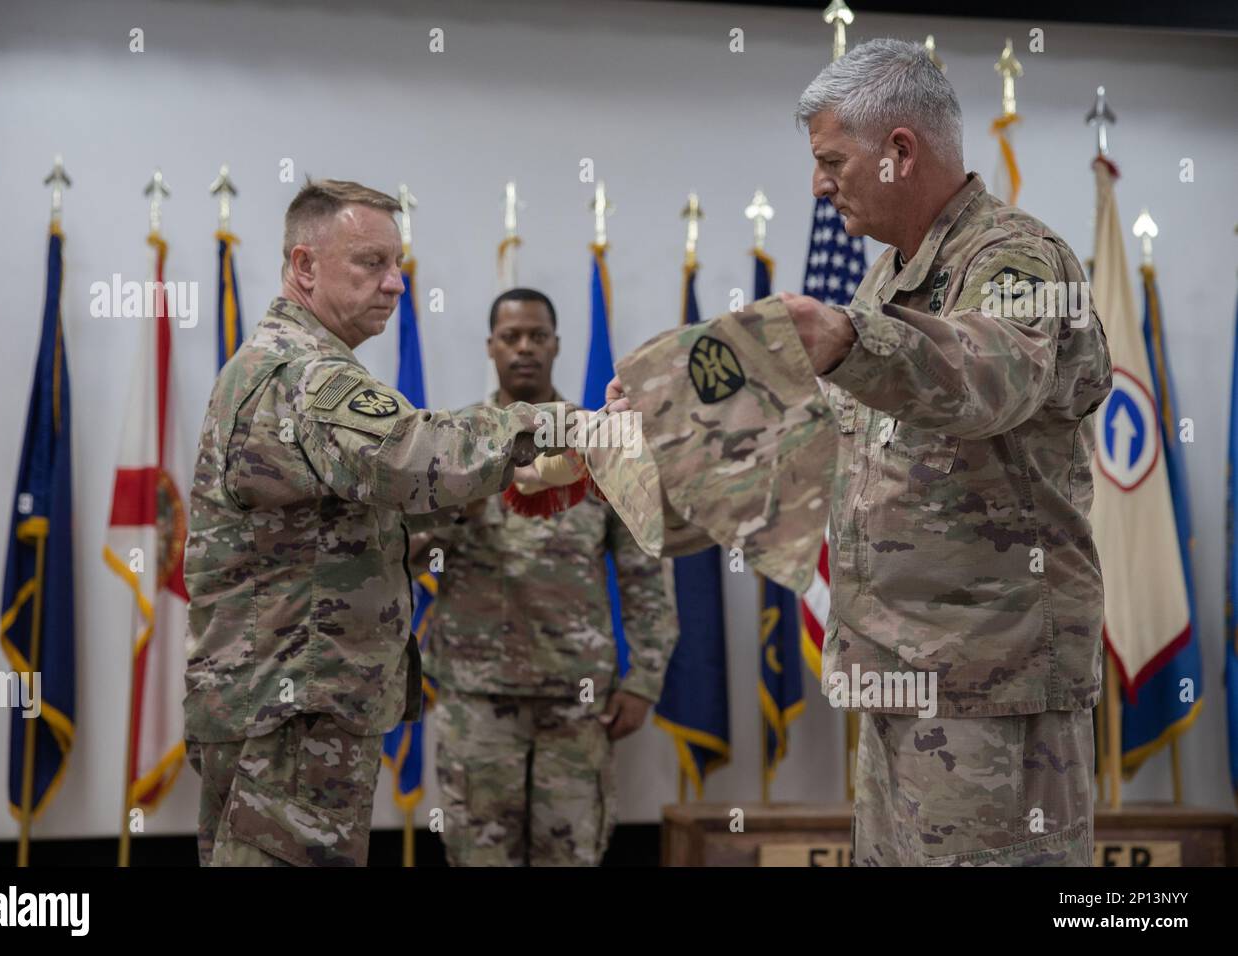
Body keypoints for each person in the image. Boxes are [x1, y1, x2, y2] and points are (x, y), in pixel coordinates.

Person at [609, 38, 1111, 866]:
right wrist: (650, 454)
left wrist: (843, 336)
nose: (818, 183)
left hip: (992, 688)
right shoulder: (885, 282)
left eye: (831, 160)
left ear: (899, 151)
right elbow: (820, 459)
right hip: (895, 679)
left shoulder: (1015, 258)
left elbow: (990, 377)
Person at [182, 179, 568, 867]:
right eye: (371, 263)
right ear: (304, 266)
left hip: (288, 702)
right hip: (291, 711)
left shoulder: (292, 366)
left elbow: (339, 528)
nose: (395, 284)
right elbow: (416, 455)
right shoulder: (300, 374)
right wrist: (563, 424)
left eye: (398, 265)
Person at [415, 288, 678, 866]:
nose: (525, 348)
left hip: (575, 698)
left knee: (571, 856)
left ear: (557, 345)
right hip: (475, 695)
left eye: (538, 335)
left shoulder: (597, 440)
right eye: (511, 337)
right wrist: (456, 505)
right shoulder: (453, 441)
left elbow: (643, 568)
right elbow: (409, 553)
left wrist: (644, 680)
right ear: (491, 347)